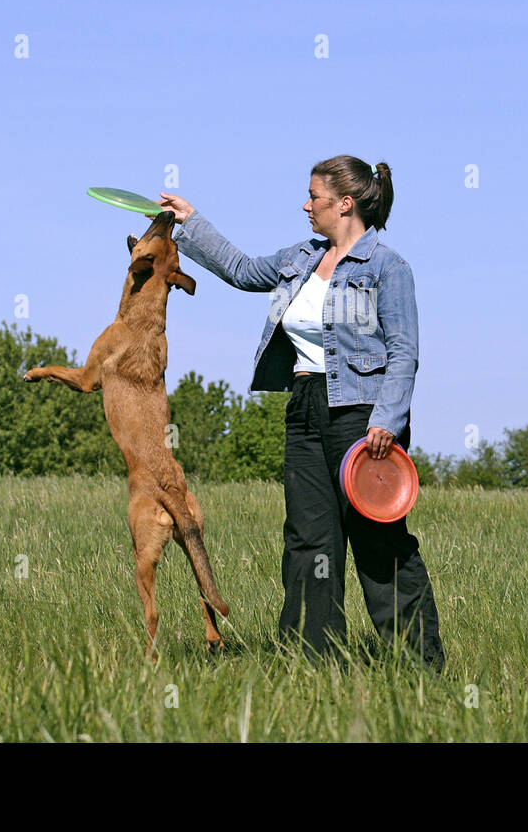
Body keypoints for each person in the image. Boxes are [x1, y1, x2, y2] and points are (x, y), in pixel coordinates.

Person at [158, 155, 445, 672]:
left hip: (363, 417)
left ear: (345, 203)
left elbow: (404, 351)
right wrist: (191, 221)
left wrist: (387, 420)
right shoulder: (301, 258)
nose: (306, 205)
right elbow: (243, 271)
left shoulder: (387, 267)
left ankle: (419, 666)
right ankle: (312, 663)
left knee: (379, 542)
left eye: (314, 196)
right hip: (305, 411)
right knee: (309, 540)